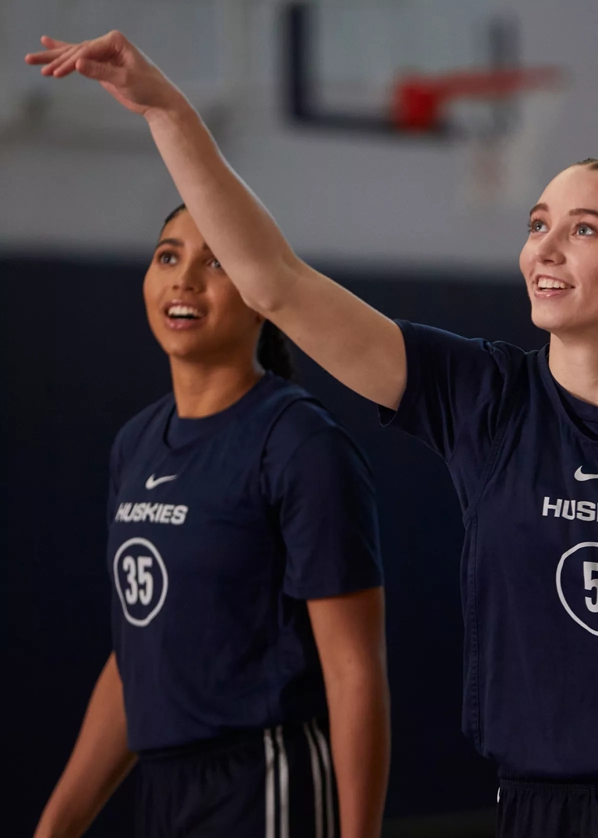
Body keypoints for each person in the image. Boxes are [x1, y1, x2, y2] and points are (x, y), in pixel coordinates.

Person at [26, 32, 598, 838]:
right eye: (538, 224)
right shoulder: (484, 399)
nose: (546, 246)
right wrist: (168, 111)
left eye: (582, 229)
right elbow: (276, 286)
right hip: (539, 808)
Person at [32, 204, 389, 838]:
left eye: (216, 262)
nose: (184, 280)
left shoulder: (300, 445)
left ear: (262, 296)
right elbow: (138, 656)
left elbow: (354, 672)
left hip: (265, 784)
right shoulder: (135, 444)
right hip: (164, 793)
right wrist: (57, 824)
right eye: (168, 256)